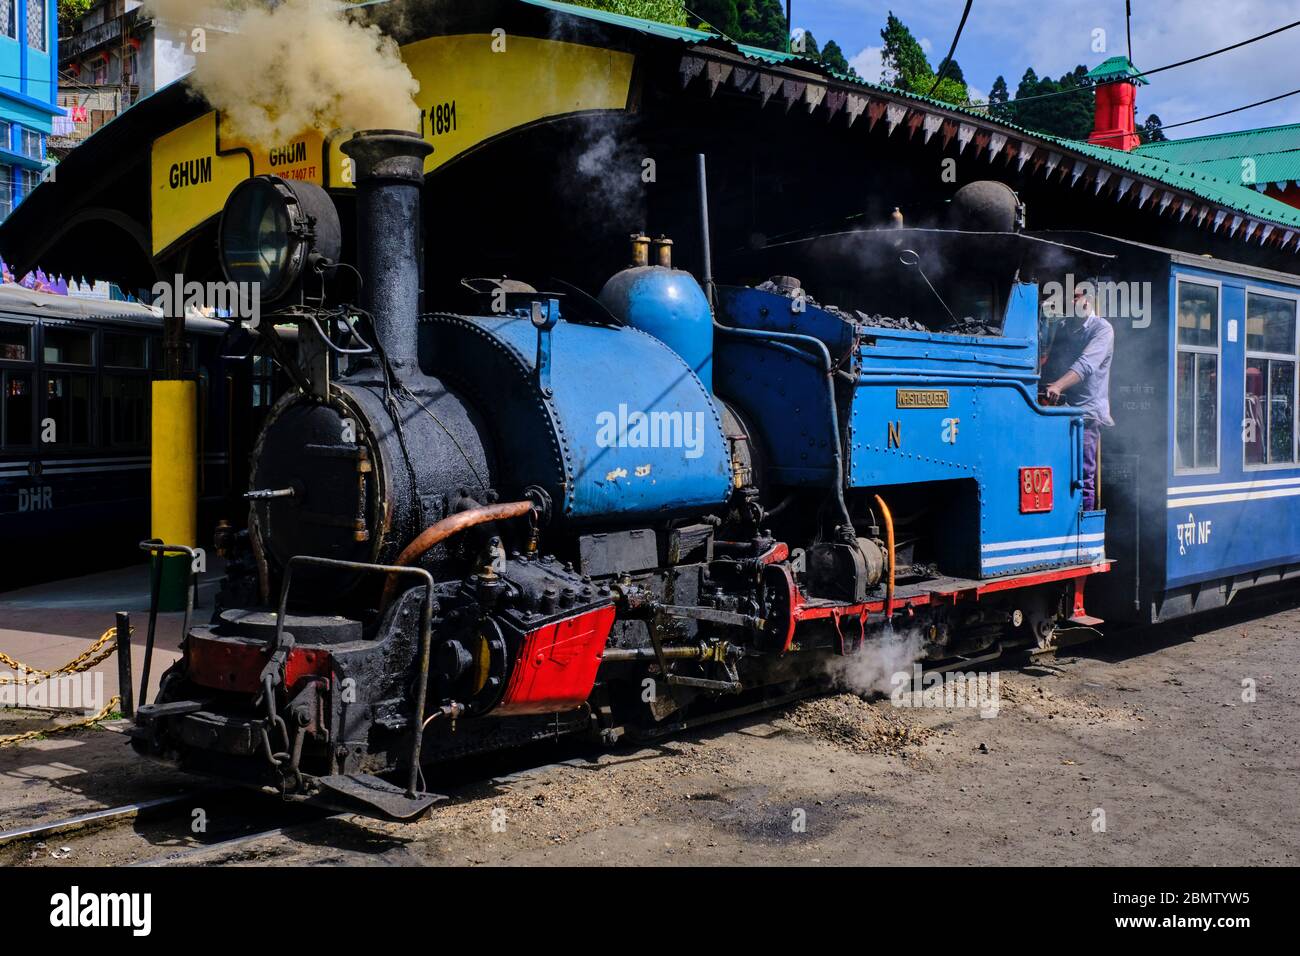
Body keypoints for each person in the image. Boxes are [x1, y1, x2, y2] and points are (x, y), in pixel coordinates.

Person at [1043, 285, 1114, 510]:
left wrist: (1058, 385)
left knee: (1083, 477)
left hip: (1086, 413)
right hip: (1061, 411)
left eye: (1075, 297)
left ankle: (1083, 534)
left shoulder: (1102, 329)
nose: (1070, 302)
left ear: (1088, 300)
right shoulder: (1064, 327)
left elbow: (1085, 366)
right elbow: (1052, 362)